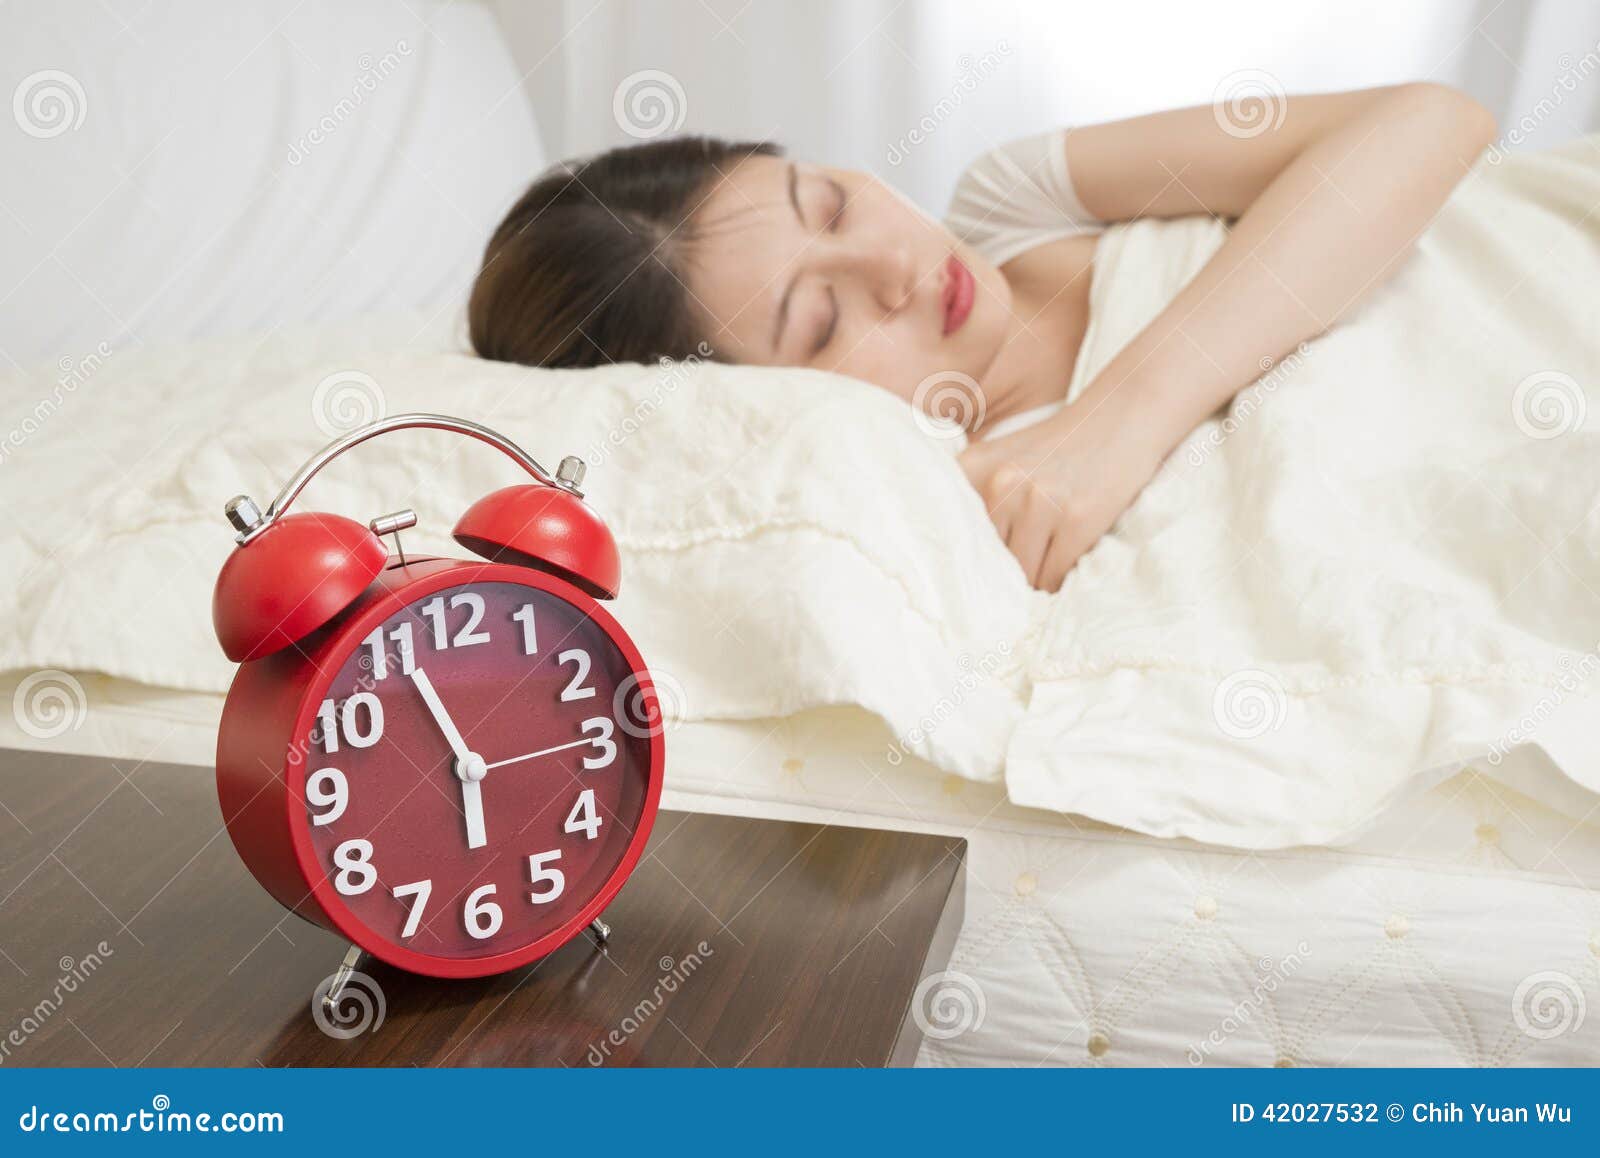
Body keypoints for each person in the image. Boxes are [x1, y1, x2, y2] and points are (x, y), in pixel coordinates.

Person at [469, 85, 1496, 591]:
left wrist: (1120, 420)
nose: (895, 263)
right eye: (822, 320)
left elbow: (1436, 120)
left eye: (830, 204)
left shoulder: (1015, 202)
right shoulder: (981, 516)